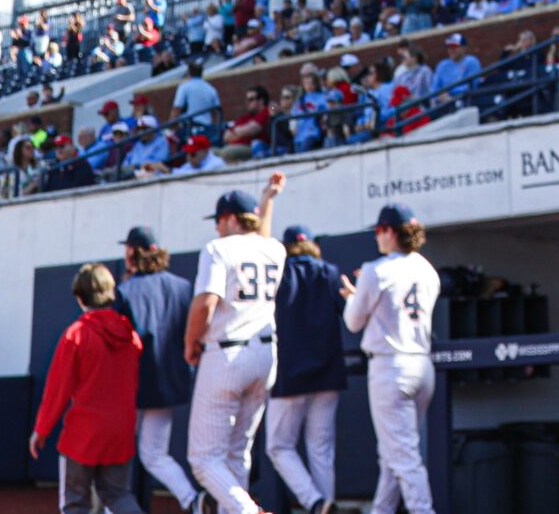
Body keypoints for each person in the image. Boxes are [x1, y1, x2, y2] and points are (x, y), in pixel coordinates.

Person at [185, 178, 287, 514]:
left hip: (227, 353)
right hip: (265, 354)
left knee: (202, 459)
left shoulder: (219, 248)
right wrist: (268, 200)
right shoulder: (275, 248)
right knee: (236, 453)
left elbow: (205, 304)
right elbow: (262, 238)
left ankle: (247, 512)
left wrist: (191, 342)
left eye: (218, 220)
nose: (216, 227)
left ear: (230, 218)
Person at [341, 203, 441, 514]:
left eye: (379, 231)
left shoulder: (376, 269)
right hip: (422, 364)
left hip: (391, 367)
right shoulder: (427, 268)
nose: (376, 237)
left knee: (403, 456)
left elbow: (353, 322)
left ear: (388, 232)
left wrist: (353, 297)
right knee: (392, 456)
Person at [31, 263, 144, 514]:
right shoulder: (131, 336)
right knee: (118, 495)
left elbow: (57, 388)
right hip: (120, 431)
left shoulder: (77, 335)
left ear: (80, 298)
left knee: (75, 503)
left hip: (83, 434)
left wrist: (41, 429)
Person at [116, 226, 199, 512]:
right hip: (169, 383)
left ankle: (114, 507)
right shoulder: (183, 287)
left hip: (135, 385)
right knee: (154, 454)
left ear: (133, 252)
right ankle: (192, 499)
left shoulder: (124, 292)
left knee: (124, 451)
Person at [268, 223, 345, 514]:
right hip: (328, 371)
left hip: (289, 372)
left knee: (278, 446)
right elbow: (349, 315)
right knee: (321, 449)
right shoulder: (329, 271)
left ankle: (314, 501)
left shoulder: (279, 273)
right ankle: (323, 502)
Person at [172, 62, 220, 133]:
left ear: (189, 73)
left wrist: (172, 128)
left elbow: (177, 109)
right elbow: (216, 112)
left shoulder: (184, 87)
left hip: (190, 129)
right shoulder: (211, 88)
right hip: (207, 128)